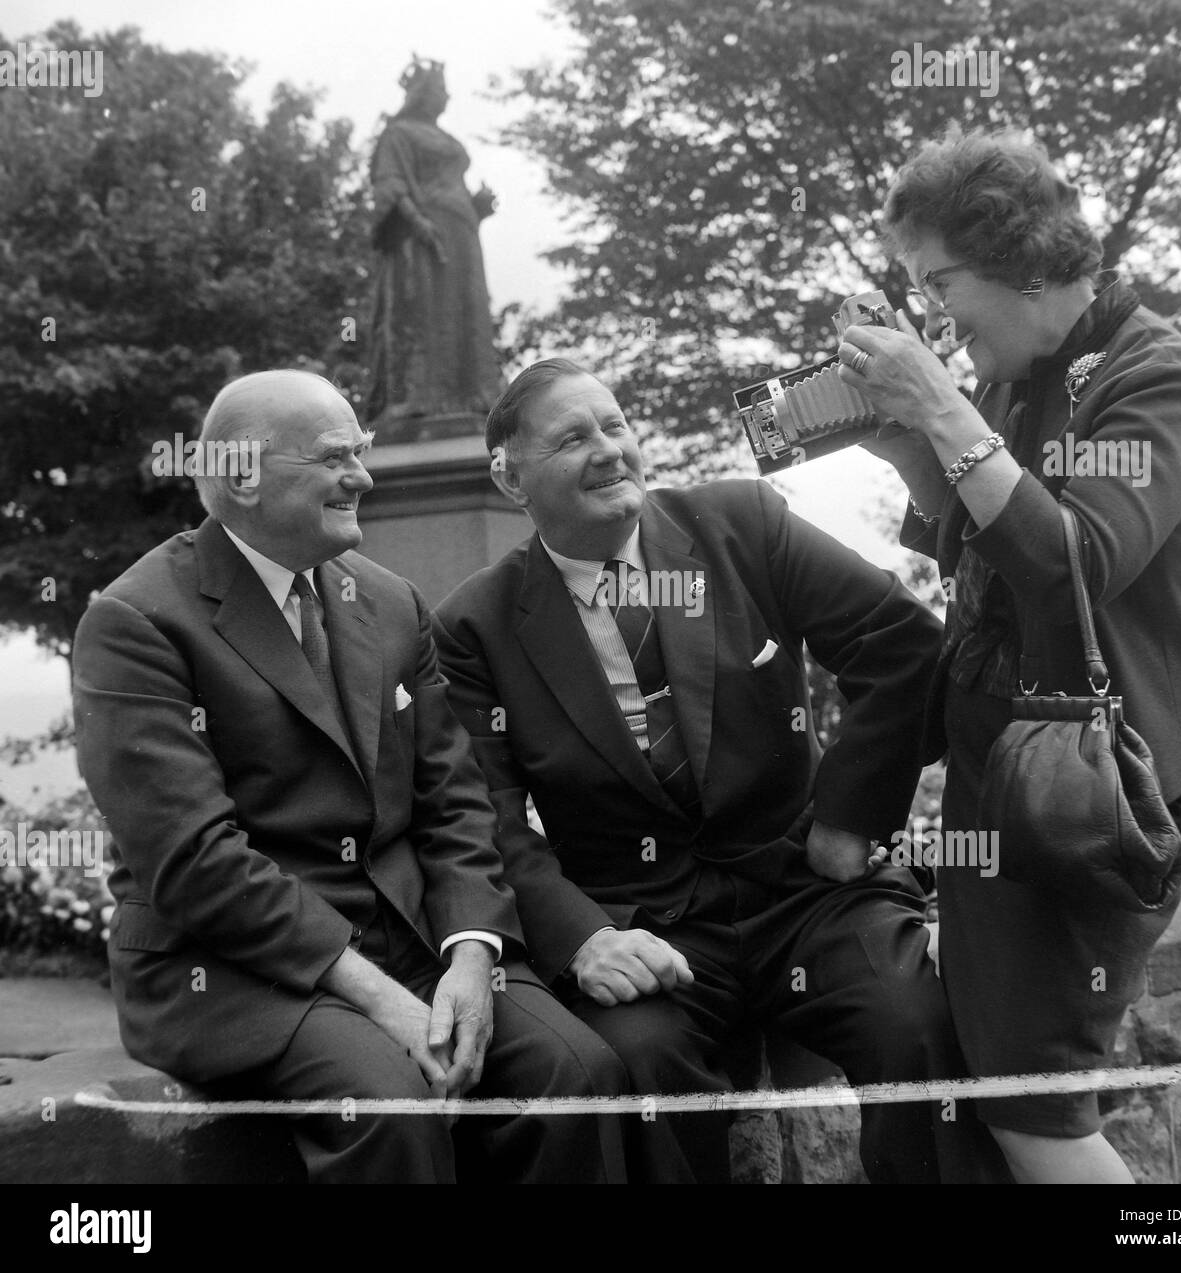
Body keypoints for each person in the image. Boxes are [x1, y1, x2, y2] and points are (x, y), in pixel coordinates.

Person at [430, 358, 1011, 1184]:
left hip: (807, 894)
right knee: (637, 1068)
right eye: (572, 438)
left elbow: (902, 646)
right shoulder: (473, 625)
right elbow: (482, 814)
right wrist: (584, 936)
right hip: (642, 925)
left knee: (917, 1020)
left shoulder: (742, 524)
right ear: (508, 475)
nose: (608, 450)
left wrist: (848, 818)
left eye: (616, 425)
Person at [72, 369, 625, 1184]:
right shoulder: (135, 622)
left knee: (576, 1074)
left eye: (360, 453)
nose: (364, 477)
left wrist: (471, 957)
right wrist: (381, 998)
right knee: (391, 1107)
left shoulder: (391, 600)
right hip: (231, 969)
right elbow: (194, 861)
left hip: (411, 942)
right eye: (336, 457)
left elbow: (454, 803)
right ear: (244, 479)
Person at [835, 127, 1181, 1183]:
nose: (930, 312)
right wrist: (915, 449)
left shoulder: (1156, 374)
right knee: (994, 1090)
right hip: (1004, 784)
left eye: (938, 280)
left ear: (1015, 254)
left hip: (1097, 799)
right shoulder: (1018, 379)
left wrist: (935, 402)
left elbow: (1074, 562)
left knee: (1036, 1108)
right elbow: (986, 556)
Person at [367, 59, 503, 428]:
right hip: (423, 236)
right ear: (423, 92)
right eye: (441, 88)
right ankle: (421, 399)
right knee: (425, 312)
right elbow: (391, 183)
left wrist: (478, 208)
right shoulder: (399, 133)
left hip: (462, 235)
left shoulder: (447, 139)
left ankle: (473, 397)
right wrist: (417, 222)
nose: (446, 95)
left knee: (466, 312)